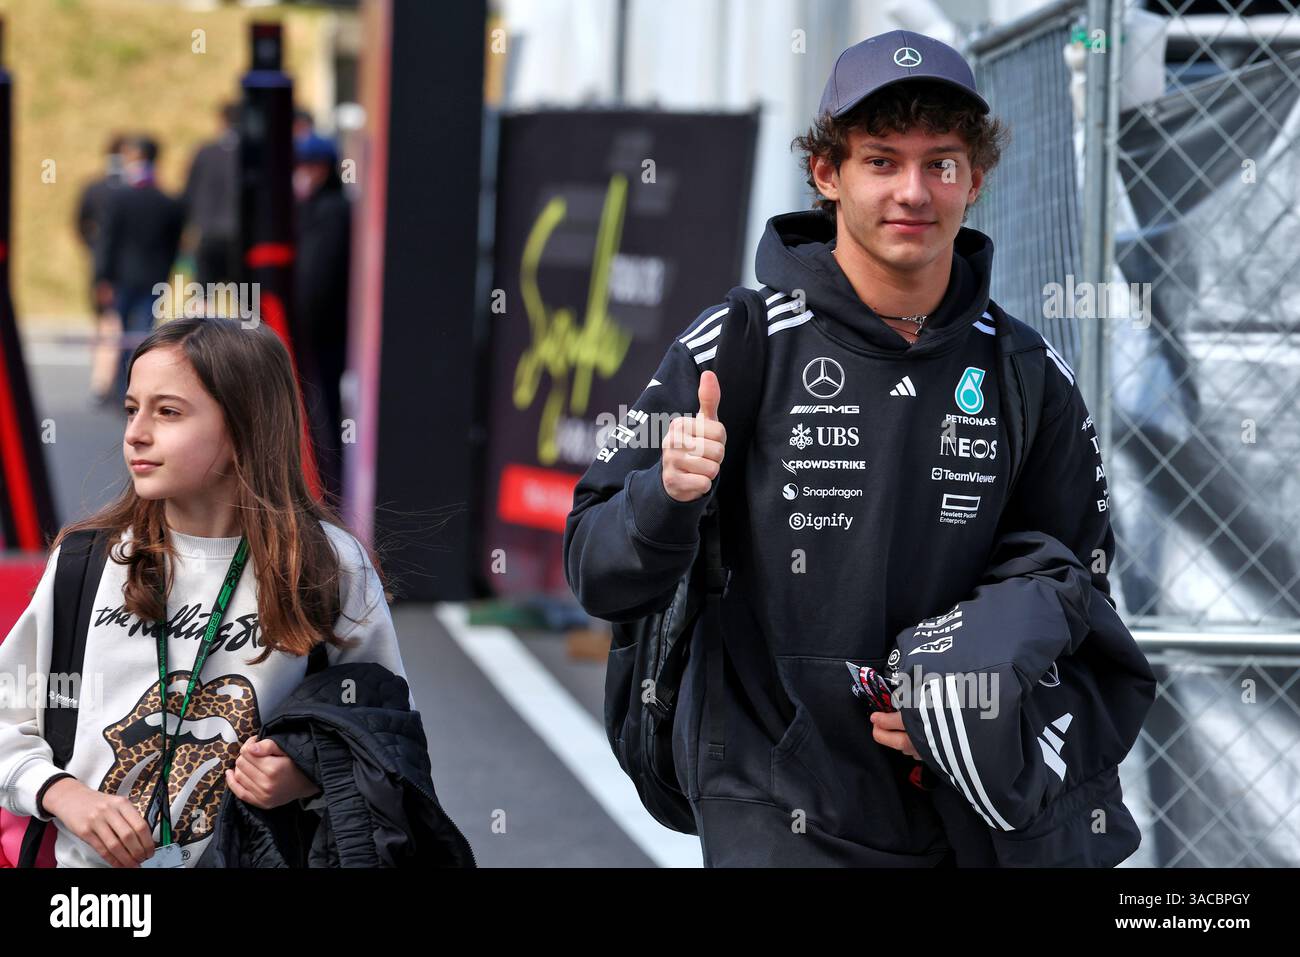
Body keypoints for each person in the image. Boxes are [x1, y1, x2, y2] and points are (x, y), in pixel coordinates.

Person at [564, 32, 1120, 865]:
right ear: (827, 174)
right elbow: (596, 569)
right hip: (776, 805)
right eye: (881, 160)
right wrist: (667, 495)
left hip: (961, 810)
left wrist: (979, 698)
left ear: (976, 177)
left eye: (941, 163)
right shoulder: (741, 342)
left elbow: (1081, 589)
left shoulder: (1026, 370)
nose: (914, 191)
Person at [0, 317, 409, 868]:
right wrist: (60, 792)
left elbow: (387, 732)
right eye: (131, 408)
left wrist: (306, 769)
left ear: (245, 431)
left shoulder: (327, 564)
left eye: (167, 412)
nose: (136, 432)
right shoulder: (87, 561)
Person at [94, 135, 185, 400]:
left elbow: (107, 241)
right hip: (154, 276)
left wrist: (102, 277)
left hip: (122, 276)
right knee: (145, 332)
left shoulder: (119, 198)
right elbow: (175, 245)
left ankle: (123, 386)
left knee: (123, 334)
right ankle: (141, 383)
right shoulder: (168, 201)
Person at [292, 132, 351, 503]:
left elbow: (319, 277)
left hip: (323, 333)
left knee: (323, 412)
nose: (305, 174)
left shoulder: (331, 210)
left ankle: (326, 492)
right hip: (310, 331)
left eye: (312, 166)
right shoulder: (308, 209)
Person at [74, 134, 128, 406]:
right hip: (126, 265)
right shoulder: (131, 189)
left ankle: (101, 379)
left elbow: (80, 223)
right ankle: (112, 379)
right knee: (120, 322)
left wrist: (93, 248)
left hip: (102, 264)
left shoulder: (94, 187)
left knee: (105, 321)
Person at [181, 102, 241, 286]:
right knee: (247, 300)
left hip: (208, 233)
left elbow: (189, 193)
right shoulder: (252, 153)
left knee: (202, 298)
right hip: (240, 234)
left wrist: (187, 228)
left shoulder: (205, 152)